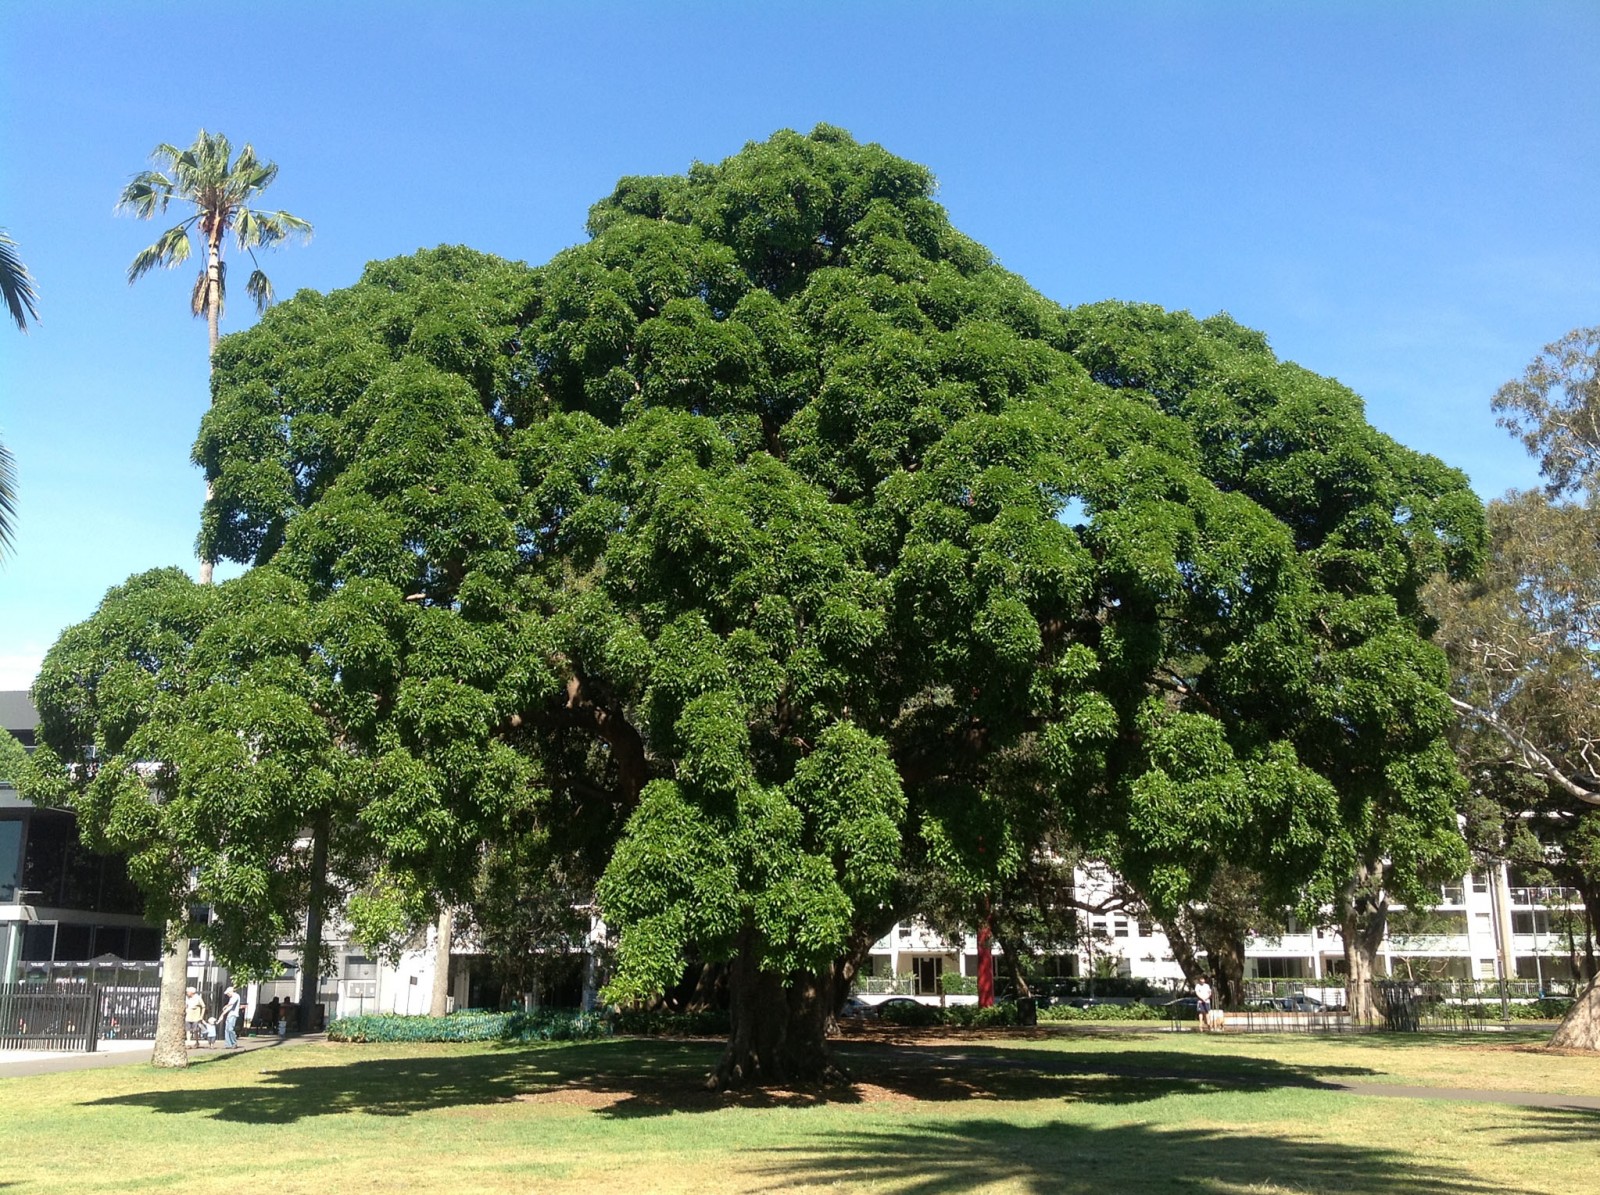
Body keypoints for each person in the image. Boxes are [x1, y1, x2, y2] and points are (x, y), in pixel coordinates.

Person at [219, 984, 243, 1049]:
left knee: (230, 1029)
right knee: (227, 1029)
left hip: (233, 1015)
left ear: (230, 992)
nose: (227, 995)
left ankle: (234, 1043)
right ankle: (228, 1044)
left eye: (227, 993)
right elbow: (229, 1007)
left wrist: (225, 1007)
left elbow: (230, 1005)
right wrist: (223, 1014)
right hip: (230, 1015)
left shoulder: (235, 996)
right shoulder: (232, 997)